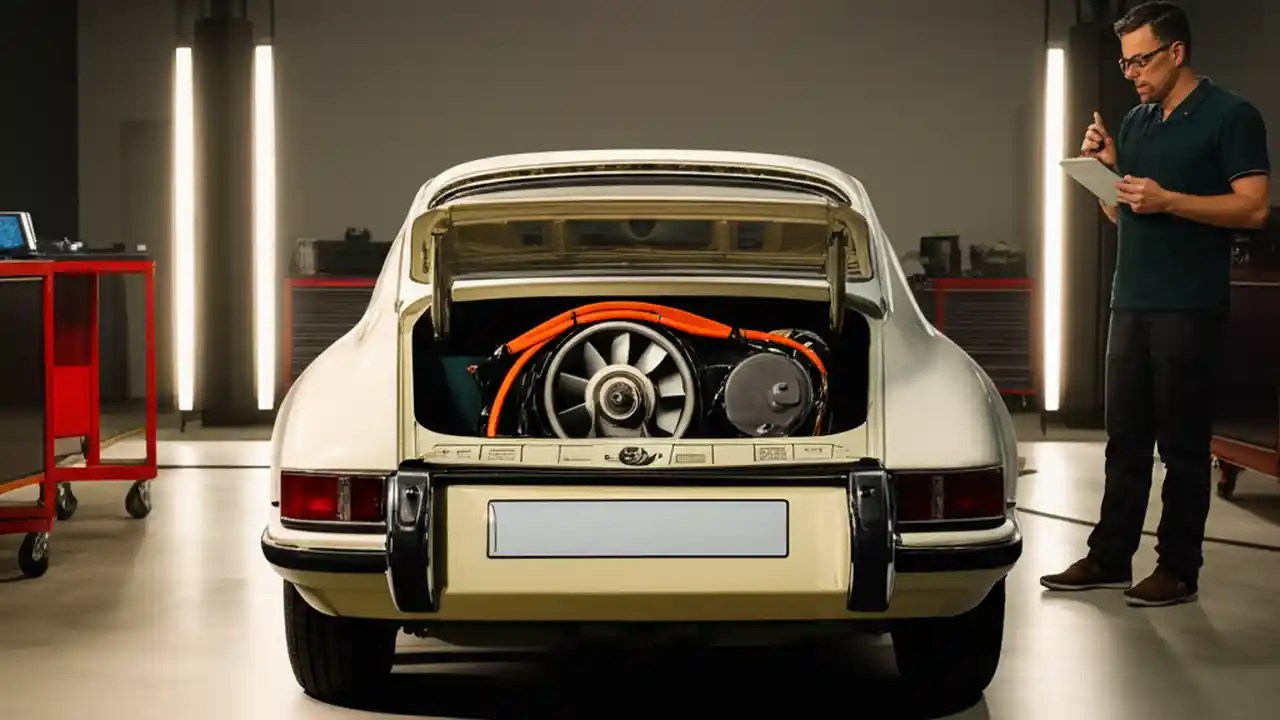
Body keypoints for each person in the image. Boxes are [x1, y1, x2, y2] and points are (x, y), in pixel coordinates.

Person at [1039, 1, 1270, 607]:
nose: (1132, 72)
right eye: (1124, 62)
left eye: (1141, 59)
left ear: (1177, 51)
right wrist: (1104, 172)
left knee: (1184, 445)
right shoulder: (1138, 121)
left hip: (1190, 305)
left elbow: (1252, 207)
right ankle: (1110, 556)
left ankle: (1178, 569)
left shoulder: (1232, 115)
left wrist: (1170, 199)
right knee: (1125, 439)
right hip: (1131, 299)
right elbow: (1123, 211)